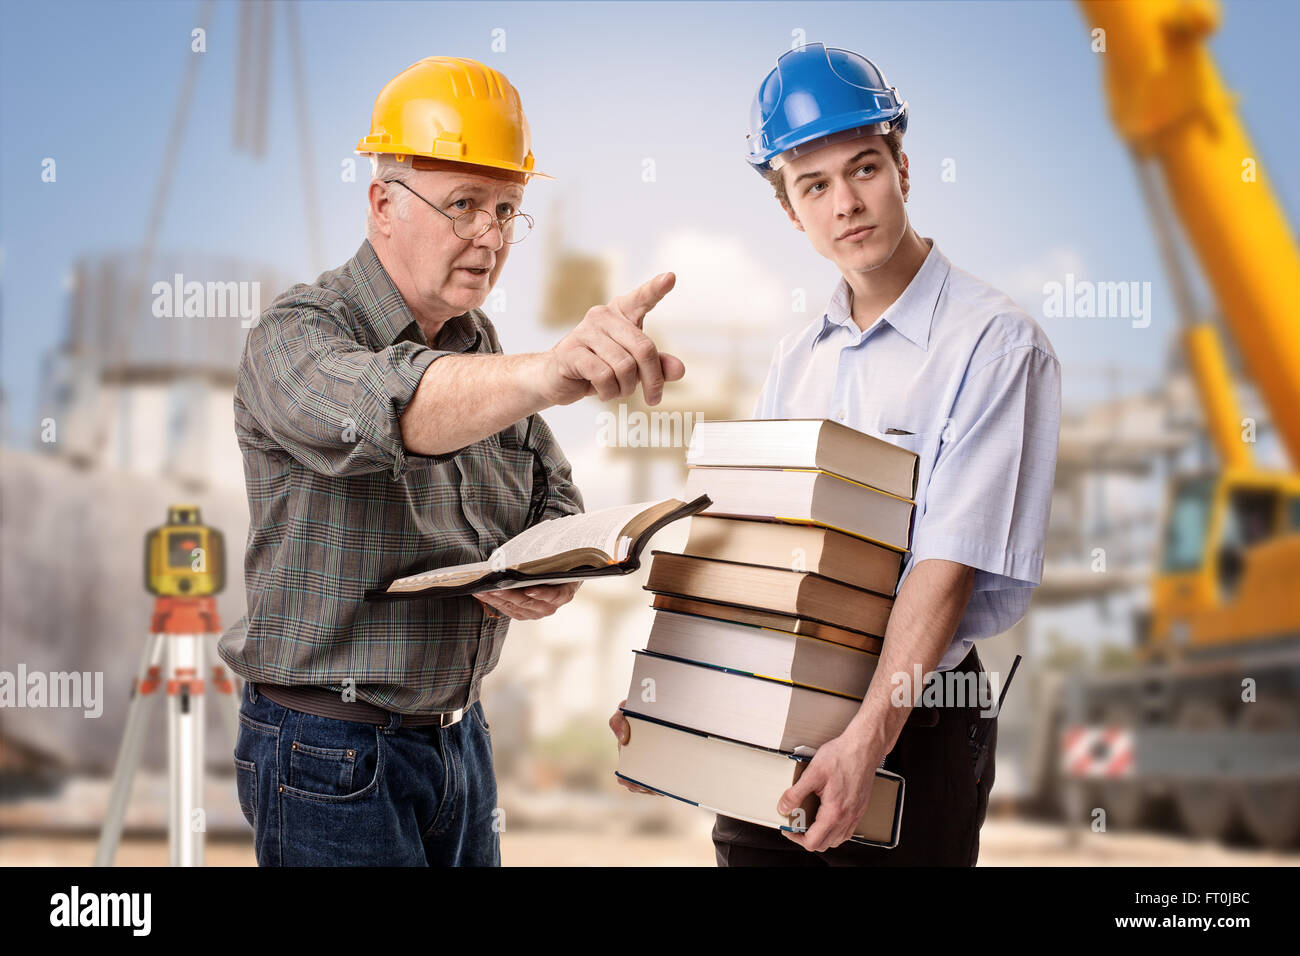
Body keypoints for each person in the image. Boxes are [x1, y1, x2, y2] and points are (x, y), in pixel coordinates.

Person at [221, 55, 684, 866]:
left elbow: (554, 494)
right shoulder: (294, 337)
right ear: (383, 204)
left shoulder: (482, 351)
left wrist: (553, 562)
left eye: (508, 209)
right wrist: (550, 371)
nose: (490, 237)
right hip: (328, 751)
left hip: (458, 743)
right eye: (464, 204)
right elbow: (395, 409)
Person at [610, 42, 1061, 866]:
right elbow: (751, 550)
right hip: (777, 706)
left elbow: (946, 569)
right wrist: (671, 696)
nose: (845, 203)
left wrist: (865, 742)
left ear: (903, 168)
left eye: (863, 169)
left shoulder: (993, 346)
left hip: (913, 723)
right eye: (814, 186)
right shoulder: (798, 358)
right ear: (790, 210)